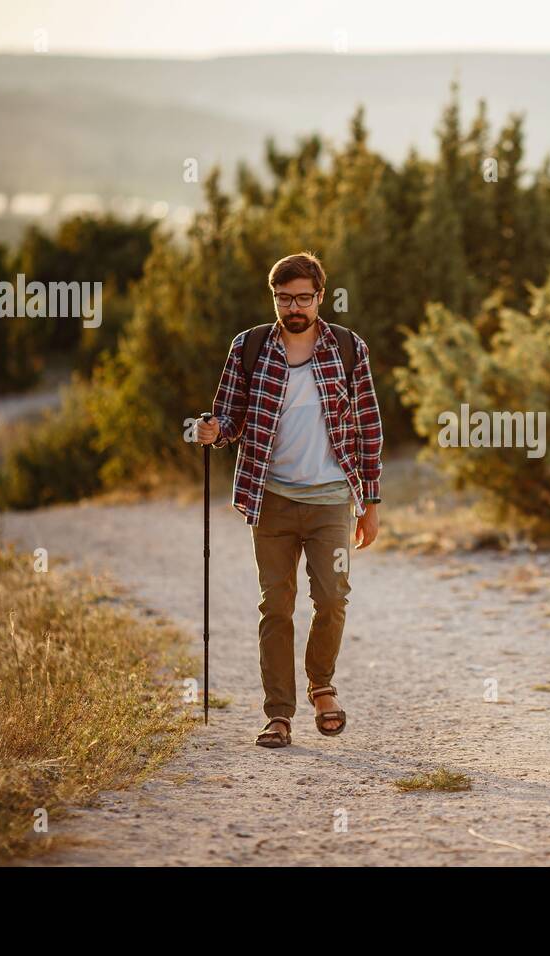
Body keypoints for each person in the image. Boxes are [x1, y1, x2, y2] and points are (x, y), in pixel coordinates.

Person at [197, 252, 382, 749]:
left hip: (331, 502)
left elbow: (368, 427)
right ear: (273, 298)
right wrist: (214, 432)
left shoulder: (346, 348)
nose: (294, 307)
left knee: (332, 598)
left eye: (303, 298)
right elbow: (228, 417)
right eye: (284, 298)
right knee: (275, 606)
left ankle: (321, 685)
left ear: (321, 296)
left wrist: (371, 502)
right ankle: (278, 714)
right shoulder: (250, 347)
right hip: (271, 500)